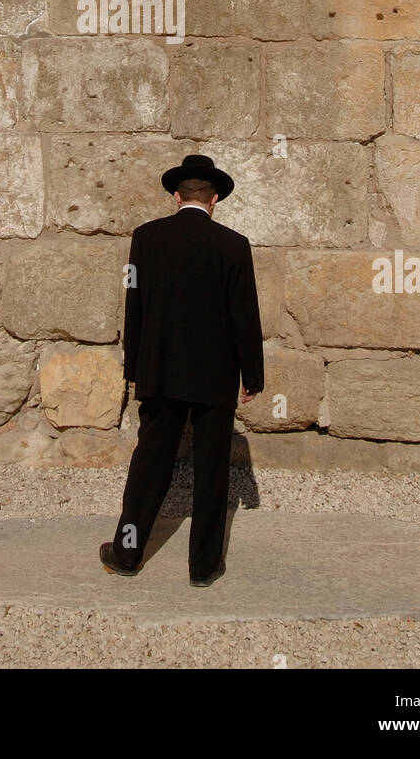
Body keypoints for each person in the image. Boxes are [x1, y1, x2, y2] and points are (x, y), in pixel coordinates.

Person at [100, 154, 265, 588]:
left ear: (177, 196)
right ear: (214, 200)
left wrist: (133, 368)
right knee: (212, 469)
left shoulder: (146, 239)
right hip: (215, 375)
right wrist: (253, 375)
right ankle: (204, 566)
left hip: (161, 371)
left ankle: (127, 553)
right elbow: (245, 315)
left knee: (150, 464)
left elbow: (133, 306)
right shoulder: (233, 245)